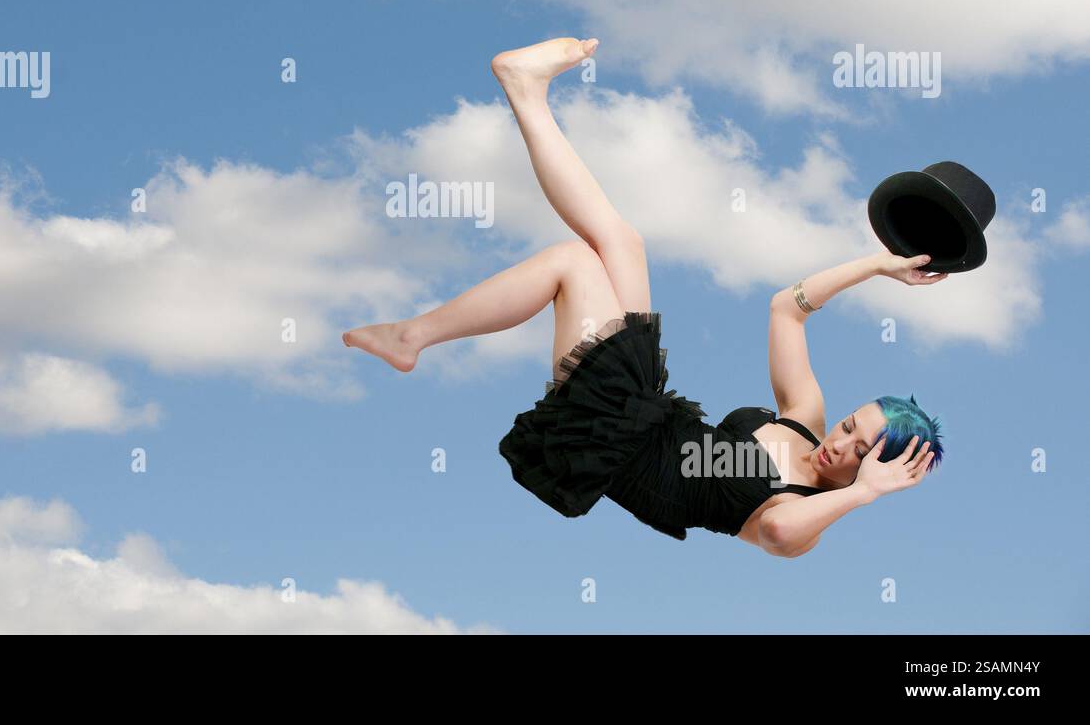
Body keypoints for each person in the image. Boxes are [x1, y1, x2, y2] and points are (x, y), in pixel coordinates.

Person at [344, 37, 943, 556]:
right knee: (622, 243)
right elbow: (787, 308)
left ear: (876, 468)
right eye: (848, 426)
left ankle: (412, 334)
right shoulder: (806, 422)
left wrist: (865, 493)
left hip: (610, 440)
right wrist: (875, 266)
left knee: (573, 263)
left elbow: (779, 535)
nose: (838, 444)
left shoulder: (805, 510)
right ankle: (525, 91)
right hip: (643, 403)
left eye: (858, 451)